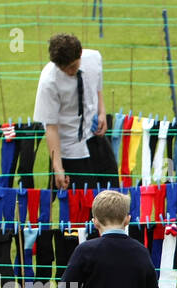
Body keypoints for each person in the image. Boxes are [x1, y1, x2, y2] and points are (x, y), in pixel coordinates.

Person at [32, 33, 116, 190]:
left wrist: (102, 112)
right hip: (70, 150)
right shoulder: (48, 82)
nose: (70, 71)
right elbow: (51, 127)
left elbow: (97, 89)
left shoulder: (94, 59)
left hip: (96, 138)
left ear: (80, 55)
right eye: (65, 69)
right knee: (82, 203)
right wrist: (58, 168)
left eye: (73, 66)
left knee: (112, 195)